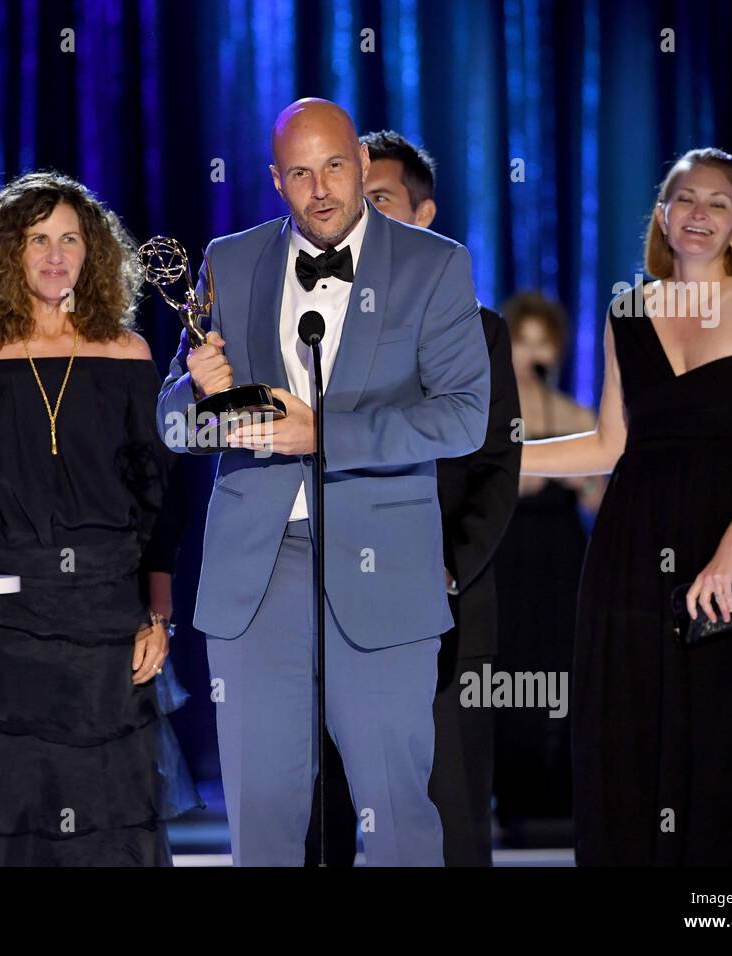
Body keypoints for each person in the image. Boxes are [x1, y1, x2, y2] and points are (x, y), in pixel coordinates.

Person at [157, 99, 490, 866]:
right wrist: (195, 395)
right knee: (264, 821)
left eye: (335, 166)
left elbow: (466, 419)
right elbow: (178, 428)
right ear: (276, 180)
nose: (321, 189)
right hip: (257, 571)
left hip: (383, 563)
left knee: (396, 812)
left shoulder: (434, 265)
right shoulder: (229, 261)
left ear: (364, 167)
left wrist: (325, 435)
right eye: (300, 173)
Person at [521, 148, 732, 865]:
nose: (698, 213)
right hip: (633, 556)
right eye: (684, 199)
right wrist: (498, 457)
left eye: (717, 203)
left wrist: (729, 555)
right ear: (662, 216)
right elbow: (607, 445)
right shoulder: (627, 311)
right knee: (636, 740)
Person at [0, 171, 200, 866]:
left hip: (111, 616)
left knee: (120, 816)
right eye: (39, 238)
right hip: (11, 618)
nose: (54, 254)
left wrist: (158, 617)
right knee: (21, 815)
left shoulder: (128, 353)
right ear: (9, 252)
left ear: (92, 253)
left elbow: (158, 506)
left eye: (70, 239)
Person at [305, 129, 521, 866]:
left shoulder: (479, 333)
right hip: (327, 597)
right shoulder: (307, 326)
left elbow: (494, 466)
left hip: (445, 606)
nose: (361, 214)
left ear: (424, 217)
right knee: (325, 804)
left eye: (382, 200)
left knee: (446, 805)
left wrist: (449, 568)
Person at [492, 291, 599, 832]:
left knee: (560, 663)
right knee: (507, 666)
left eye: (543, 341)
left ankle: (560, 794)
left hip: (560, 558)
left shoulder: (576, 413)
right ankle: (510, 792)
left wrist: (577, 475)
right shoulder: (491, 409)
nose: (532, 352)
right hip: (508, 555)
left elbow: (599, 494)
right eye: (522, 340)